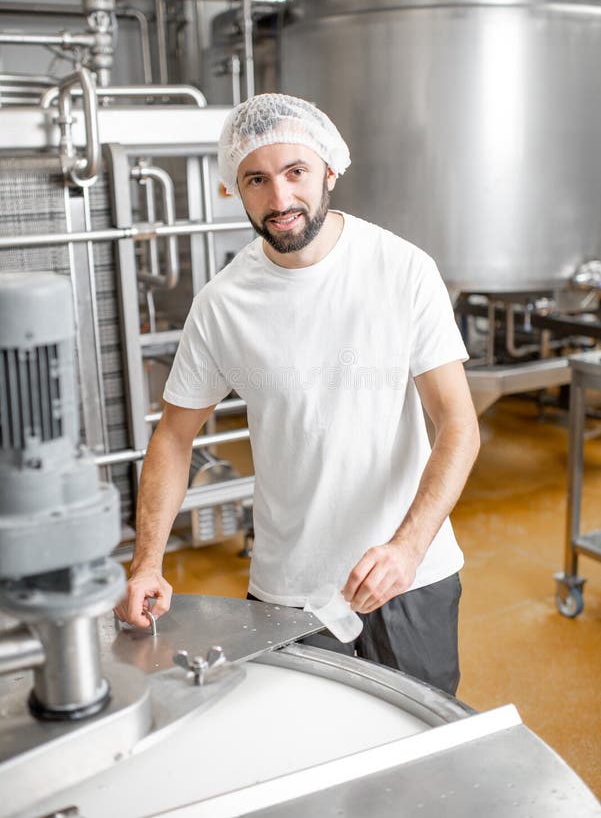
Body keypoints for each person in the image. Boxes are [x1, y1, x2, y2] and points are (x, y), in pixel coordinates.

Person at [115, 93, 480, 695]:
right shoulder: (222, 304)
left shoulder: (402, 269)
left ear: (330, 169)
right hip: (291, 591)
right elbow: (174, 439)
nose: (280, 200)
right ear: (233, 188)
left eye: (295, 172)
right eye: (257, 179)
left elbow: (458, 424)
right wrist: (146, 562)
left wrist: (408, 547)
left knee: (420, 752)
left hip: (412, 577)